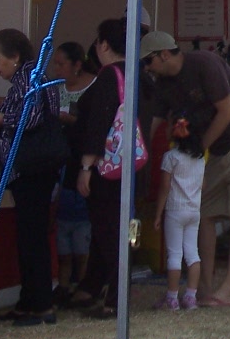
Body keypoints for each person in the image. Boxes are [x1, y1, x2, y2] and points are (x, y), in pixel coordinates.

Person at [143, 30, 230, 307]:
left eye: (148, 62)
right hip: (213, 149)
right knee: (204, 212)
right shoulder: (164, 85)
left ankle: (228, 290)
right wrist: (137, 154)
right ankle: (203, 287)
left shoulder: (204, 63)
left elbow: (227, 112)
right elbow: (152, 124)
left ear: (164, 54)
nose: (147, 69)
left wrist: (198, 148)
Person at [0, 29, 62, 325]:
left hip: (32, 170)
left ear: (15, 57)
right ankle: (29, 300)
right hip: (32, 171)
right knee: (28, 236)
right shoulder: (30, 77)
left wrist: (0, 119)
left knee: (32, 238)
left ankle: (41, 305)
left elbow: (30, 117)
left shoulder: (30, 78)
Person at [66, 19, 137, 319]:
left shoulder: (110, 77)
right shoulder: (137, 75)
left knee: (110, 231)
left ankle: (116, 298)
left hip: (108, 170)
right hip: (131, 166)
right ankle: (92, 285)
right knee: (110, 230)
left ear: (104, 45)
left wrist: (86, 165)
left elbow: (98, 124)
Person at [50, 42, 95, 303]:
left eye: (61, 63)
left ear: (77, 65)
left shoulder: (94, 87)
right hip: (61, 164)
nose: (57, 69)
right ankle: (65, 286)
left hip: (84, 162)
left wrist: (73, 122)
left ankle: (85, 284)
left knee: (83, 233)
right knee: (64, 231)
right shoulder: (55, 90)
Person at [152, 116, 208, 310]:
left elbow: (165, 188)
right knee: (193, 253)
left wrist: (158, 214)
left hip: (176, 209)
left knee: (174, 254)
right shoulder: (200, 159)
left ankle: (172, 297)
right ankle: (191, 296)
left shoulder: (171, 157)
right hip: (194, 209)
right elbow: (203, 185)